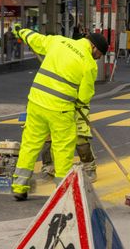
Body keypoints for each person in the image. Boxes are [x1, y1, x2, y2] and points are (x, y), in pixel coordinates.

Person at [9, 24, 107, 200]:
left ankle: (19, 186)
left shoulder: (59, 42)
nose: (97, 58)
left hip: (36, 102)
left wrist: (20, 30)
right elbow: (85, 96)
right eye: (99, 55)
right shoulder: (89, 64)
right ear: (93, 47)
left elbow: (34, 38)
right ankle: (62, 191)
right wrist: (79, 103)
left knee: (30, 144)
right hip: (60, 109)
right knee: (62, 148)